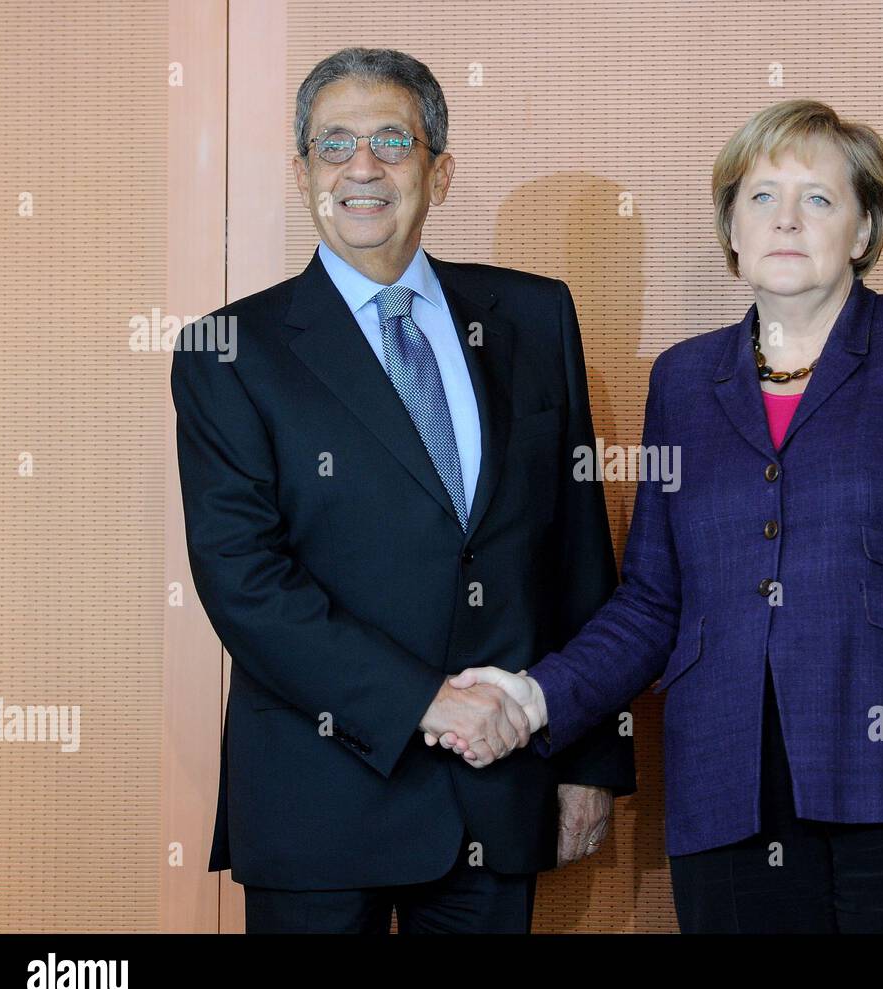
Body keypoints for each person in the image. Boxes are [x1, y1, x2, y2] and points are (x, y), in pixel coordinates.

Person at [430, 98, 883, 933]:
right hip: (729, 791)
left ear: (865, 227)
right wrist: (531, 693)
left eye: (819, 198)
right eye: (762, 197)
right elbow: (652, 601)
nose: (787, 220)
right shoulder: (684, 381)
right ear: (731, 228)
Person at [170, 47, 635, 934]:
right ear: (302, 171)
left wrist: (590, 758)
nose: (363, 166)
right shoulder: (229, 350)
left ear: (440, 169)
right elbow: (245, 583)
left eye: (392, 138)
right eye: (334, 143)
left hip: (499, 794)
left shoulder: (535, 318)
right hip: (317, 800)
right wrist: (426, 699)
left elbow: (578, 551)